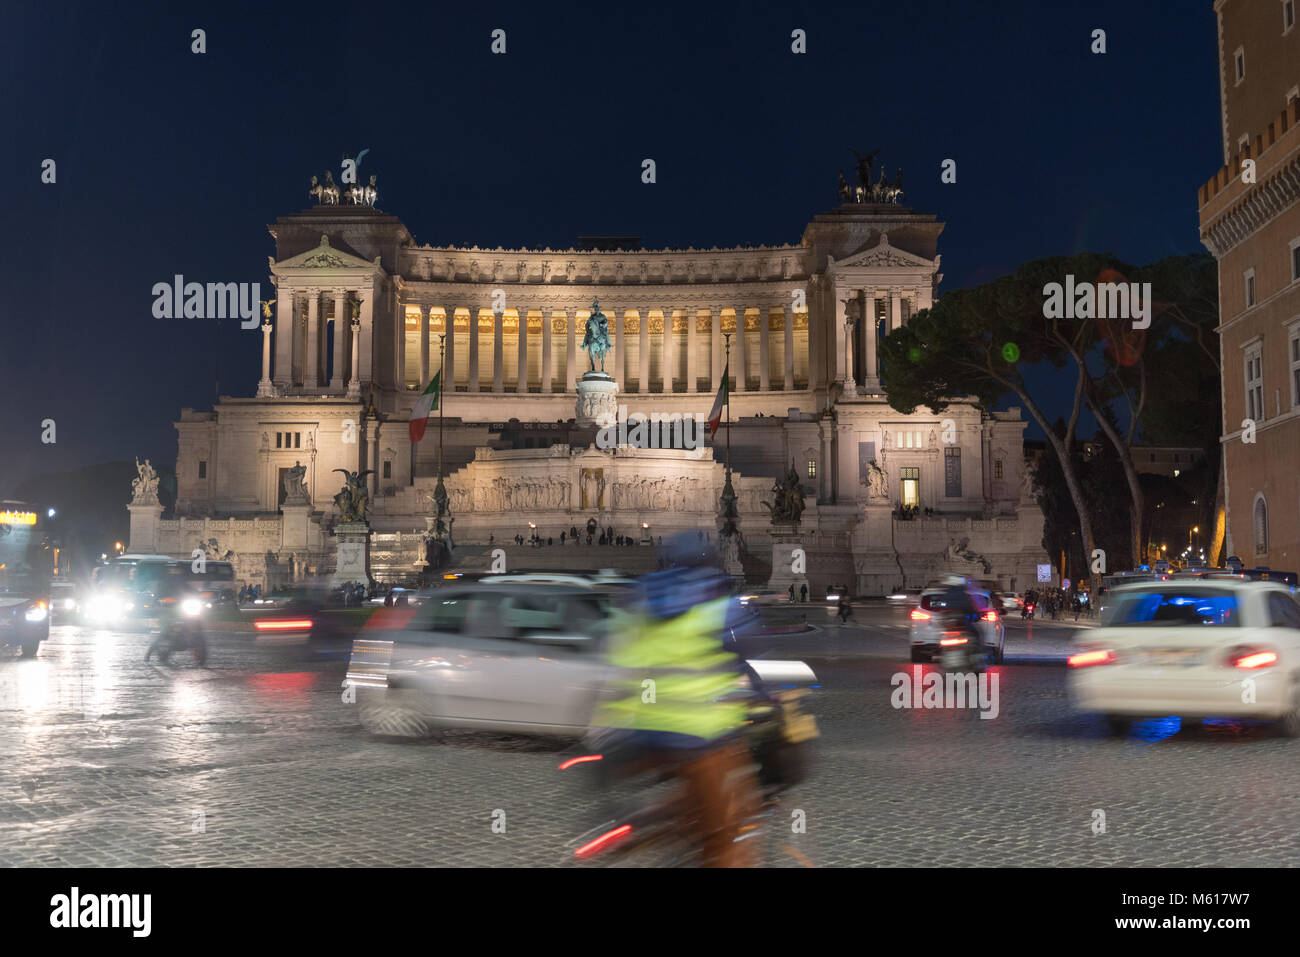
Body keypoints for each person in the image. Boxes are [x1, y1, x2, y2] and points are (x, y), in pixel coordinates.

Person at [591, 533, 759, 867]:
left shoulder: (640, 597)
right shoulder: (718, 603)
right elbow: (748, 661)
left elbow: (615, 658)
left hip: (641, 730)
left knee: (679, 794)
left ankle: (638, 823)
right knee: (729, 824)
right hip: (701, 732)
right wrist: (767, 699)